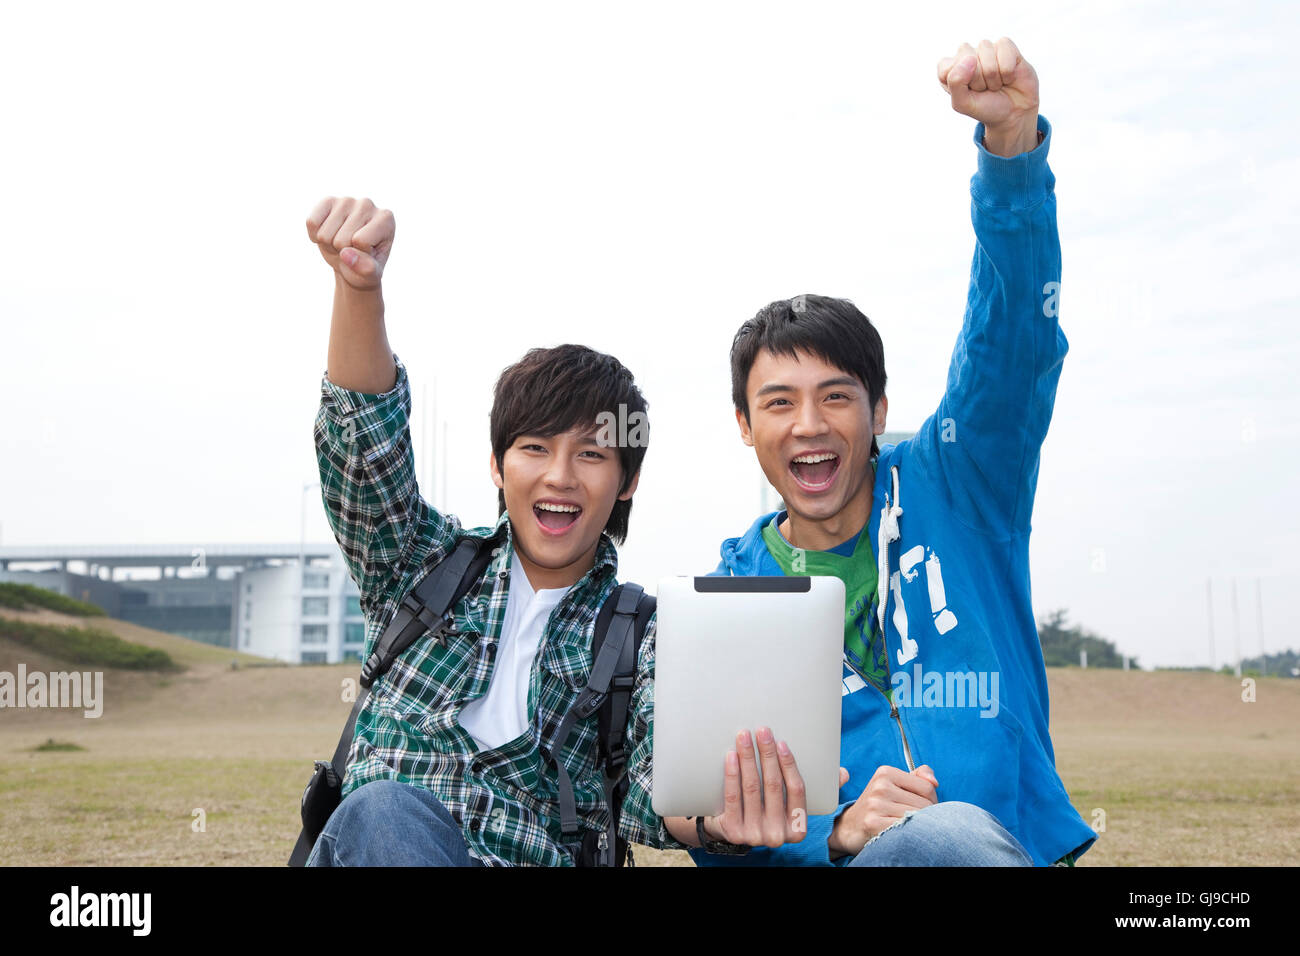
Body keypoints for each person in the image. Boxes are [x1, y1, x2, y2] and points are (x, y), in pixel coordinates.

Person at [685, 38, 1097, 867]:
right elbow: (717, 823)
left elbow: (1010, 342)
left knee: (946, 835)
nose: (809, 424)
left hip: (995, 849)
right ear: (744, 424)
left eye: (836, 396)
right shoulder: (736, 596)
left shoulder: (958, 482)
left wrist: (1010, 154)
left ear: (879, 411)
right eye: (778, 403)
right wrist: (834, 831)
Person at [300, 196, 805, 865]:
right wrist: (358, 288)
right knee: (384, 812)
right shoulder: (418, 563)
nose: (560, 476)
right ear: (497, 465)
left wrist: (717, 815)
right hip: (385, 843)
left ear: (626, 482)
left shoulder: (644, 635)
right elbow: (364, 442)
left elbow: (653, 791)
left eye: (591, 454)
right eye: (535, 448)